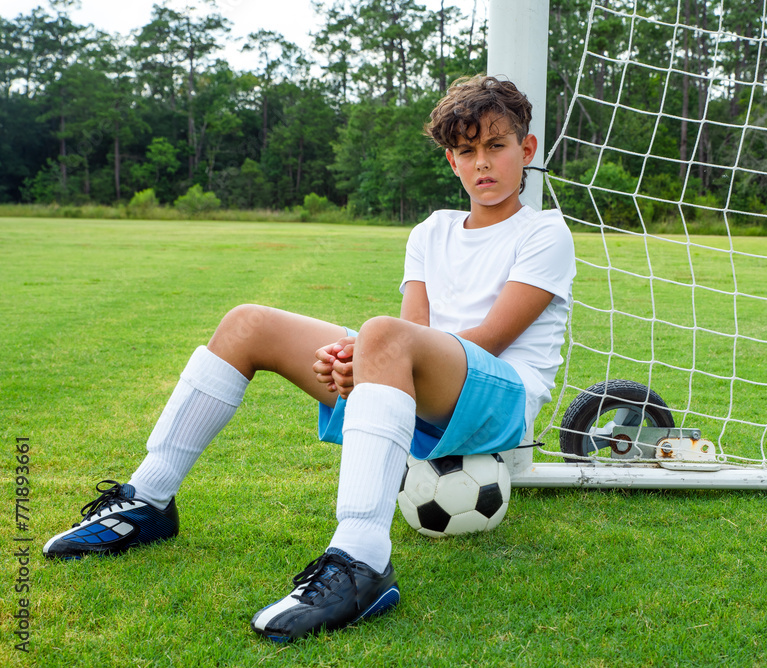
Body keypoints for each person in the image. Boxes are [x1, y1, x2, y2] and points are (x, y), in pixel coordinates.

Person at [43, 75, 576, 643]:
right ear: (451, 161)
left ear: (526, 149)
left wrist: (373, 357)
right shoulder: (431, 231)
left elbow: (488, 341)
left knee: (381, 335)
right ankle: (148, 500)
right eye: (466, 151)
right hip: (428, 387)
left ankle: (362, 560)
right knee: (248, 323)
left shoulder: (544, 233)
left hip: (499, 404)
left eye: (496, 145)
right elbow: (416, 334)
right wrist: (360, 366)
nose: (482, 162)